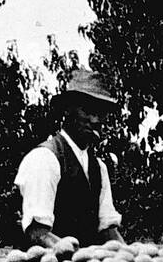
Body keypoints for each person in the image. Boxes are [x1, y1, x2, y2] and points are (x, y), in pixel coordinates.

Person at [15, 70, 124, 248]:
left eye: (101, 113)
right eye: (88, 110)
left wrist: (131, 257)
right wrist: (79, 258)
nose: (96, 120)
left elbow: (107, 230)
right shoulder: (44, 159)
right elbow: (37, 232)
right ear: (68, 110)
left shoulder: (99, 168)